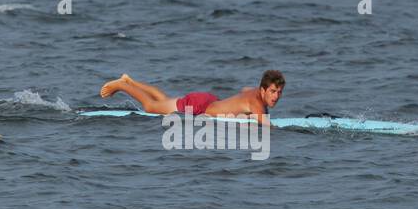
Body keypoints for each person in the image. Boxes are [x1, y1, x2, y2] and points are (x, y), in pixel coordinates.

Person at [99, 70, 285, 125]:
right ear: (262, 90)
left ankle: (129, 80)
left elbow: (245, 89)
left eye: (279, 92)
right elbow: (269, 127)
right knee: (149, 107)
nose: (276, 96)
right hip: (199, 108)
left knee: (163, 100)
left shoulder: (253, 92)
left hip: (208, 101)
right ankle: (121, 85)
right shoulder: (256, 103)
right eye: (273, 92)